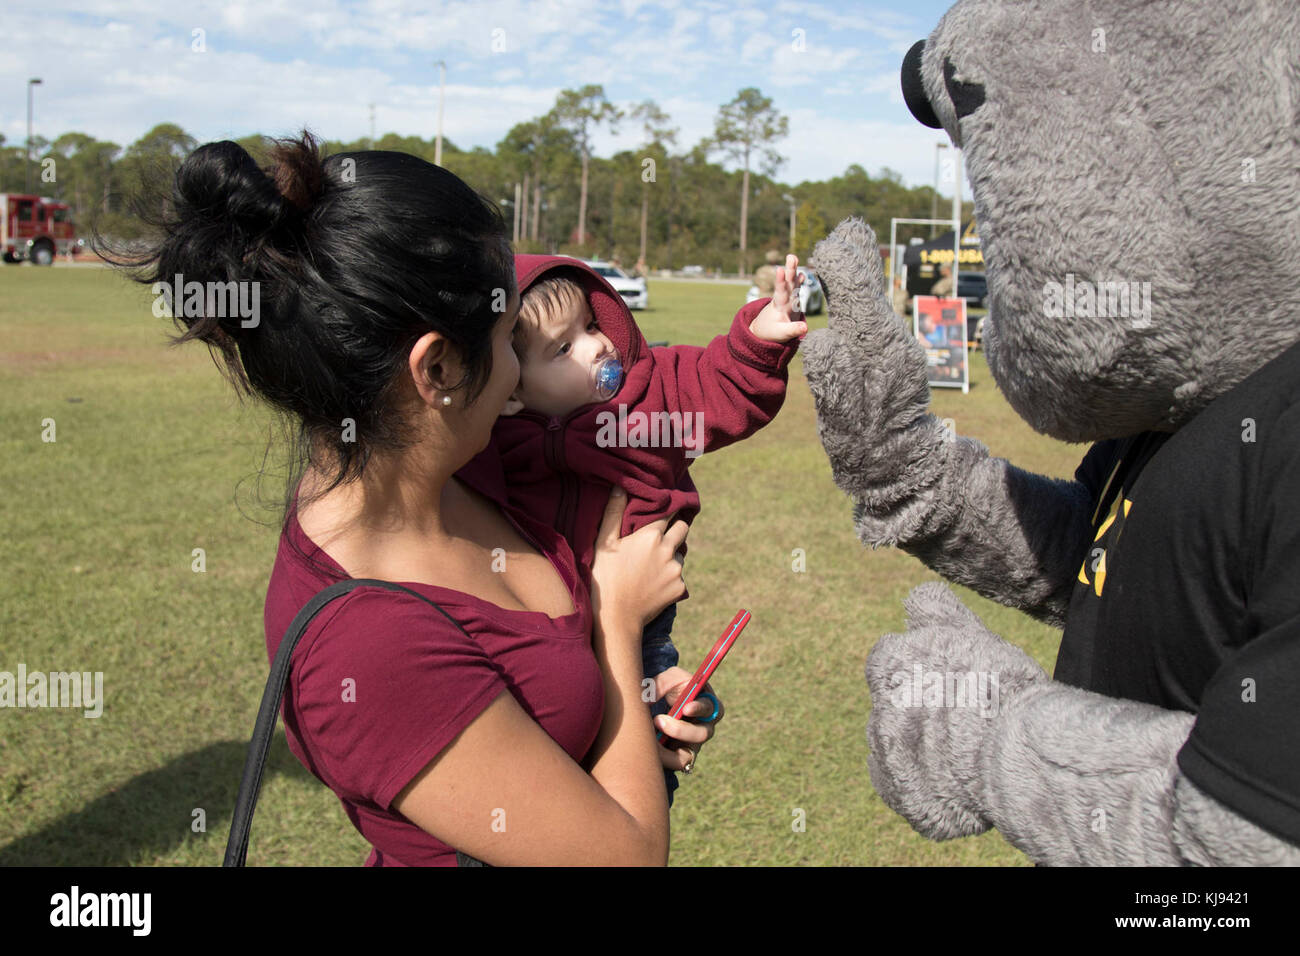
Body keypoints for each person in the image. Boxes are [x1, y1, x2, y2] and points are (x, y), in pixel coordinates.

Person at [110, 132, 721, 866]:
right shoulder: (366, 645)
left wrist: (634, 712)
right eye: (505, 341)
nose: (518, 376)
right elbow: (627, 858)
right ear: (435, 368)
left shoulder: (467, 468)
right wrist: (619, 625)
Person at [496, 252, 806, 803]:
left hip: (642, 626)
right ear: (512, 387)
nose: (596, 346)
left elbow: (718, 383)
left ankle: (653, 770)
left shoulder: (648, 396)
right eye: (563, 348)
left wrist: (761, 338)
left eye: (591, 325)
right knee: (547, 752)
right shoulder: (494, 441)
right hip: (539, 624)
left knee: (651, 725)